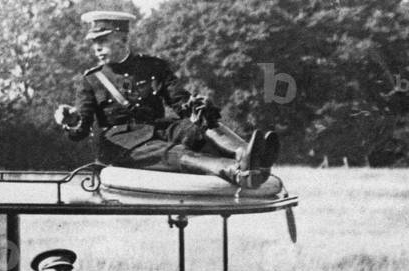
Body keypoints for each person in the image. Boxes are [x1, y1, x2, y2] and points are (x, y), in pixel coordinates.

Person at [54, 10, 279, 189]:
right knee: (172, 152)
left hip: (159, 129)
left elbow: (179, 101)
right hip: (121, 144)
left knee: (200, 122)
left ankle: (247, 153)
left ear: (122, 39)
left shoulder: (153, 67)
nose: (97, 48)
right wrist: (72, 120)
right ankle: (235, 171)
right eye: (94, 42)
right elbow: (80, 131)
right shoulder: (91, 80)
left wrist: (195, 109)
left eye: (103, 40)